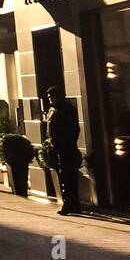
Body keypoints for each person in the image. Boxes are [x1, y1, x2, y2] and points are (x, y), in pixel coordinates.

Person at [45, 85, 82, 215]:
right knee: (64, 176)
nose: (50, 99)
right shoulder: (52, 110)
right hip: (57, 148)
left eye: (52, 97)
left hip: (66, 148)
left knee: (68, 176)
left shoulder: (67, 109)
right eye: (49, 97)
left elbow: (74, 129)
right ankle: (73, 203)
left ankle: (70, 204)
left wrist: (68, 143)